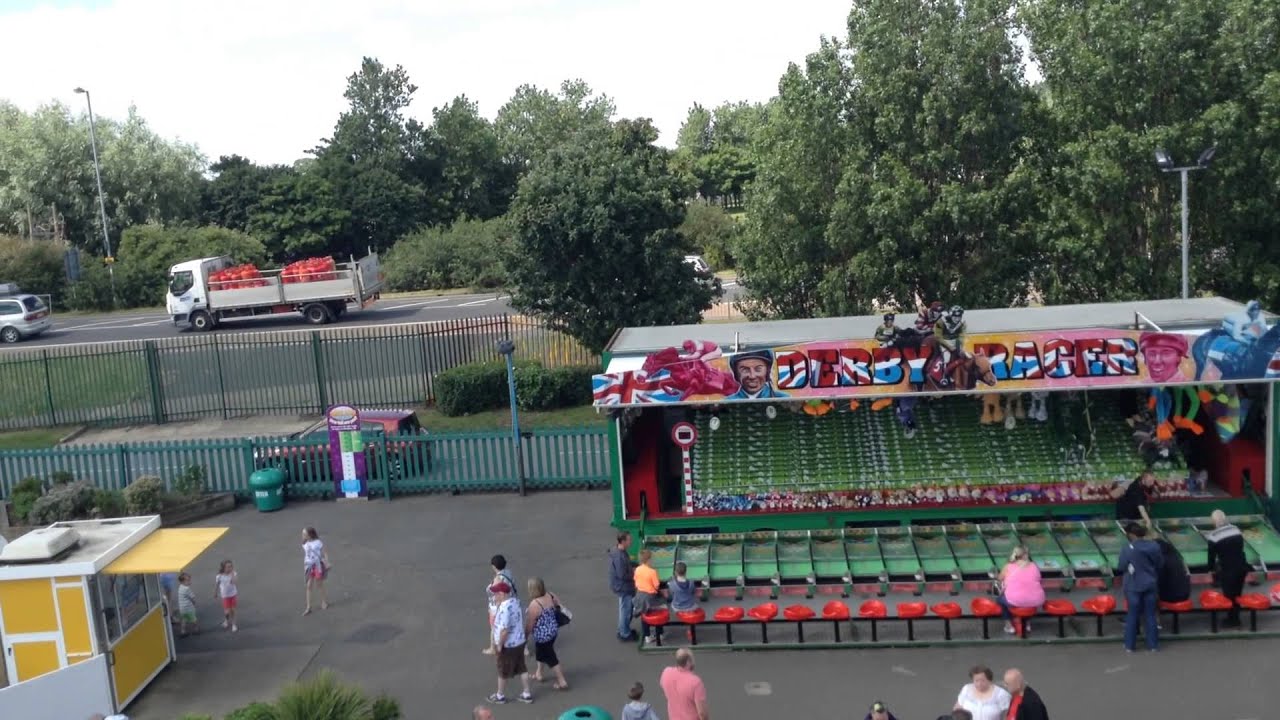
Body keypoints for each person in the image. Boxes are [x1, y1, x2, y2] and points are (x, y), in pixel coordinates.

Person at [1117, 522, 1163, 652]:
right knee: (1150, 614)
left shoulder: (1127, 548)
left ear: (1131, 534)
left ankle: (1129, 646)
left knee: (1132, 615)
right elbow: (1160, 564)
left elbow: (1121, 566)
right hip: (1150, 584)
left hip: (1133, 586)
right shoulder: (1154, 546)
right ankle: (1153, 645)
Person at [487, 581, 533, 705]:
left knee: (503, 670)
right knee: (522, 667)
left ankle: (500, 695)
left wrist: (499, 645)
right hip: (519, 641)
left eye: (496, 593)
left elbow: (504, 630)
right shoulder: (515, 602)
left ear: (502, 594)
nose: (494, 596)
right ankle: (527, 693)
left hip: (508, 645)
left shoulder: (504, 608)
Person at [1205, 509, 1249, 628]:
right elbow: (1240, 548)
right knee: (1237, 594)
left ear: (1213, 521)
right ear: (1225, 518)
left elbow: (1211, 557)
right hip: (1241, 567)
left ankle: (1232, 620)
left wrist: (1210, 569)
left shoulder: (1213, 536)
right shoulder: (1236, 529)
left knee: (1229, 595)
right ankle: (1235, 617)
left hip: (1228, 570)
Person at [524, 577, 568, 690]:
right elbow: (559, 606)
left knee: (551, 658)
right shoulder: (550, 595)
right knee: (541, 653)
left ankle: (562, 681)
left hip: (542, 636)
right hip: (553, 631)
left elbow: (530, 624)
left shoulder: (534, 604)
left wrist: (525, 636)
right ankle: (539, 673)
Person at [997, 546, 1044, 635]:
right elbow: (1039, 580)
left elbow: (999, 578)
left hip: (1015, 600)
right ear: (1026, 554)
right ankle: (1027, 624)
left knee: (1000, 599)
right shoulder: (1034, 565)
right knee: (1029, 597)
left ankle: (1009, 626)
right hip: (1036, 600)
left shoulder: (1008, 566)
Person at [660, 647, 709, 720]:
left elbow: (663, 686)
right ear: (688, 662)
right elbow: (702, 713)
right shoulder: (696, 682)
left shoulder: (666, 672)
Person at [485, 554, 517, 654]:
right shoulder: (508, 573)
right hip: (512, 601)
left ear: (494, 566)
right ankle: (523, 648)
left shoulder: (498, 579)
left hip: (498, 607)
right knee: (514, 625)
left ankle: (493, 648)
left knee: (494, 628)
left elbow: (495, 594)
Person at [610, 532, 638, 642]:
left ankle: (624, 629)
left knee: (625, 609)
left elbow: (627, 565)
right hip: (623, 587)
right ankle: (624, 634)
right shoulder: (620, 556)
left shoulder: (619, 551)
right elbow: (622, 575)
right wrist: (635, 573)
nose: (631, 541)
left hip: (622, 586)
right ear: (623, 541)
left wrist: (636, 565)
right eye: (629, 540)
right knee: (626, 611)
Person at [635, 549, 663, 644]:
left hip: (639, 596)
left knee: (644, 615)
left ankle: (647, 636)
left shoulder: (637, 569)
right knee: (660, 609)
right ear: (648, 560)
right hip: (650, 598)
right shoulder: (652, 571)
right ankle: (659, 633)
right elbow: (657, 586)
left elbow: (636, 581)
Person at [302, 527, 330, 616]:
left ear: (310, 535)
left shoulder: (318, 542)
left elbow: (324, 553)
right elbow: (307, 555)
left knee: (319, 584)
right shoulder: (305, 543)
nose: (303, 536)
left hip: (317, 566)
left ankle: (324, 602)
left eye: (304, 534)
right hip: (309, 566)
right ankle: (308, 606)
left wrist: (327, 562)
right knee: (308, 585)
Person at [1155, 537, 1191, 604]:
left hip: (1171, 597)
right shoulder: (1178, 557)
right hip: (1185, 595)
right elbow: (1188, 574)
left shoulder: (1163, 560)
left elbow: (1160, 580)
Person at [213, 559, 238, 632]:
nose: (230, 568)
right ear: (223, 568)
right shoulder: (219, 576)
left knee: (233, 610)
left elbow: (233, 582)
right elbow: (217, 584)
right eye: (228, 567)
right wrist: (215, 592)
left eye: (231, 566)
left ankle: (234, 624)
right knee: (227, 612)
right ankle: (226, 620)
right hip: (225, 596)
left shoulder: (234, 573)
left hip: (233, 594)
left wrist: (232, 574)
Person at [176, 573, 198, 637]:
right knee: (193, 619)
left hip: (182, 608)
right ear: (182, 581)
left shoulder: (180, 587)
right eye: (188, 580)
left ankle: (183, 631)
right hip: (188, 608)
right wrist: (194, 603)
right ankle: (196, 629)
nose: (189, 582)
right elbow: (192, 597)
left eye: (189, 580)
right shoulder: (187, 589)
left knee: (184, 619)